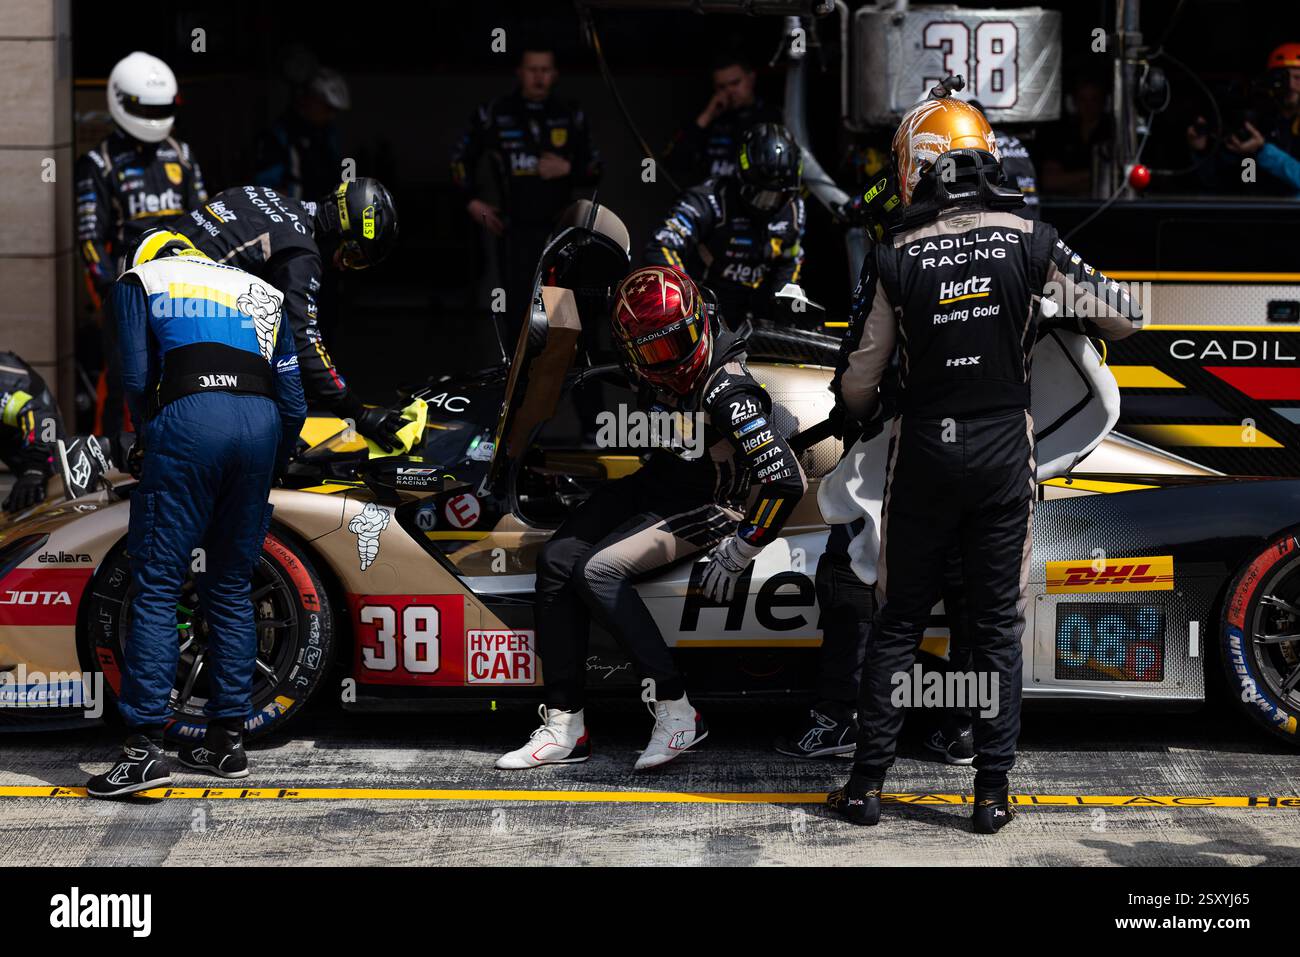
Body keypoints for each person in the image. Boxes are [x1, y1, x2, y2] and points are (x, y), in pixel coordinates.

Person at [826, 90, 1141, 832]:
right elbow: (1123, 314)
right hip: (1005, 453)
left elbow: (857, 385)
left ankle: (867, 785)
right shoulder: (1030, 237)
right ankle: (991, 794)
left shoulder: (894, 253)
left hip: (927, 453)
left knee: (898, 619)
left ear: (922, 165)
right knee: (996, 628)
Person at [496, 265, 807, 772]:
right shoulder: (642, 349)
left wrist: (742, 547)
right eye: (654, 353)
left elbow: (784, 480)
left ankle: (678, 712)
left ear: (696, 322)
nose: (670, 359)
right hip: (660, 482)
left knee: (595, 570)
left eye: (676, 342)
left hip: (712, 504)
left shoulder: (728, 391)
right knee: (555, 558)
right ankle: (565, 725)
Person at [86, 230, 306, 798]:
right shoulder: (259, 288)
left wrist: (147, 436)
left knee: (157, 586)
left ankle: (142, 754)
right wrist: (274, 459)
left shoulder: (142, 281)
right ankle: (226, 741)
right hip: (261, 425)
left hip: (189, 420)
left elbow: (134, 376)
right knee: (230, 586)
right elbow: (295, 400)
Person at [169, 179, 403, 449]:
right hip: (175, 308)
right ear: (342, 228)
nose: (342, 266)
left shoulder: (261, 192)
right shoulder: (300, 251)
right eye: (352, 255)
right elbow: (305, 342)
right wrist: (358, 414)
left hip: (144, 276)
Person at [75, 52, 206, 440]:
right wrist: (109, 295)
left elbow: (201, 224)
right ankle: (114, 457)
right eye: (144, 106)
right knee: (124, 377)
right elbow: (89, 239)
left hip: (182, 286)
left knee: (186, 371)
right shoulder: (98, 163)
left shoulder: (181, 156)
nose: (153, 114)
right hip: (128, 288)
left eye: (160, 107)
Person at [451, 43, 603, 330]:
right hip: (513, 230)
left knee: (563, 314)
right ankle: (517, 375)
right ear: (520, 73)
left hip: (560, 231)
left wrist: (568, 169)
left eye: (545, 70)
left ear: (555, 74)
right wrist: (471, 201)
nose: (539, 77)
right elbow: (459, 161)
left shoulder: (570, 113)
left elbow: (596, 168)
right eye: (533, 70)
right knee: (519, 313)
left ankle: (565, 375)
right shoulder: (494, 113)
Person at [646, 123, 806, 329]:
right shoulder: (708, 200)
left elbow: (790, 259)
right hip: (705, 313)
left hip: (757, 322)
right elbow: (661, 245)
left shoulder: (794, 209)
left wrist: (786, 304)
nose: (771, 203)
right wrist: (688, 298)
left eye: (780, 195)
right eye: (763, 195)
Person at [1189, 44, 1300, 195]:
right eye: (1282, 77)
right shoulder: (1259, 123)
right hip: (1261, 214)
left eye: (1298, 78)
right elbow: (1239, 182)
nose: (1291, 85)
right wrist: (1201, 152)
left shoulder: (1263, 141)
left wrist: (1262, 151)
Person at [663, 53, 784, 185]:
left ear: (751, 78)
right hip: (710, 198)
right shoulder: (709, 119)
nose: (729, 91)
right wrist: (707, 116)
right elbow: (673, 162)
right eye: (722, 87)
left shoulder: (773, 117)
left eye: (735, 83)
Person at [254, 66, 351, 201]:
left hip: (325, 211)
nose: (331, 116)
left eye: (334, 111)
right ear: (311, 99)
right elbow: (266, 186)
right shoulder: (279, 135)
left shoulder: (328, 133)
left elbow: (339, 170)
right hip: (294, 214)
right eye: (327, 108)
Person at [0, 352, 64, 514]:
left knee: (49, 487)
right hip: (10, 432)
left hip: (39, 436)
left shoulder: (8, 384)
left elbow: (44, 418)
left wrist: (35, 467)